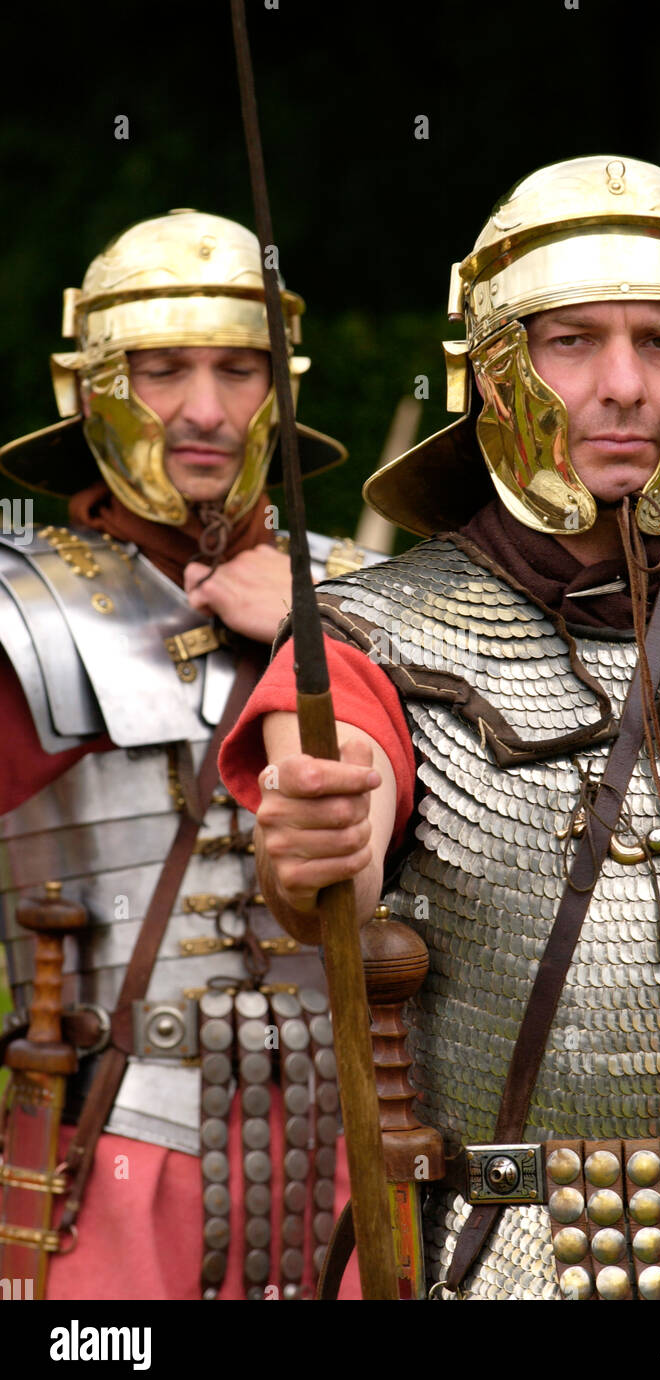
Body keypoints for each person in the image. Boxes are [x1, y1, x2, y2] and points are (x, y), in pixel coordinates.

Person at [220, 156, 660, 1301]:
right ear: (493, 371)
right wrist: (318, 843)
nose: (622, 385)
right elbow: (331, 813)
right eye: (570, 342)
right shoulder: (370, 636)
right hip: (508, 1261)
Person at [0, 210, 382, 1300]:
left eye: (240, 369)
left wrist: (324, 629)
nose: (204, 411)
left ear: (284, 387)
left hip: (361, 1148)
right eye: (161, 370)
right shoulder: (16, 610)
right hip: (118, 1145)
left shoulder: (373, 597)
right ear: (87, 388)